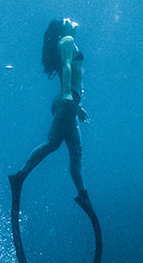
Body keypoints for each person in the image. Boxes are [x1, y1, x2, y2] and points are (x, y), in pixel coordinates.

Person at [8, 18, 90, 206]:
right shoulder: (67, 40)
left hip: (68, 103)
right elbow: (67, 67)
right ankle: (19, 177)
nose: (72, 21)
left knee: (75, 152)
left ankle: (82, 194)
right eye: (68, 20)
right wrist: (69, 96)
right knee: (53, 144)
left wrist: (76, 105)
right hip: (66, 101)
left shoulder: (66, 41)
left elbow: (67, 73)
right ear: (63, 28)